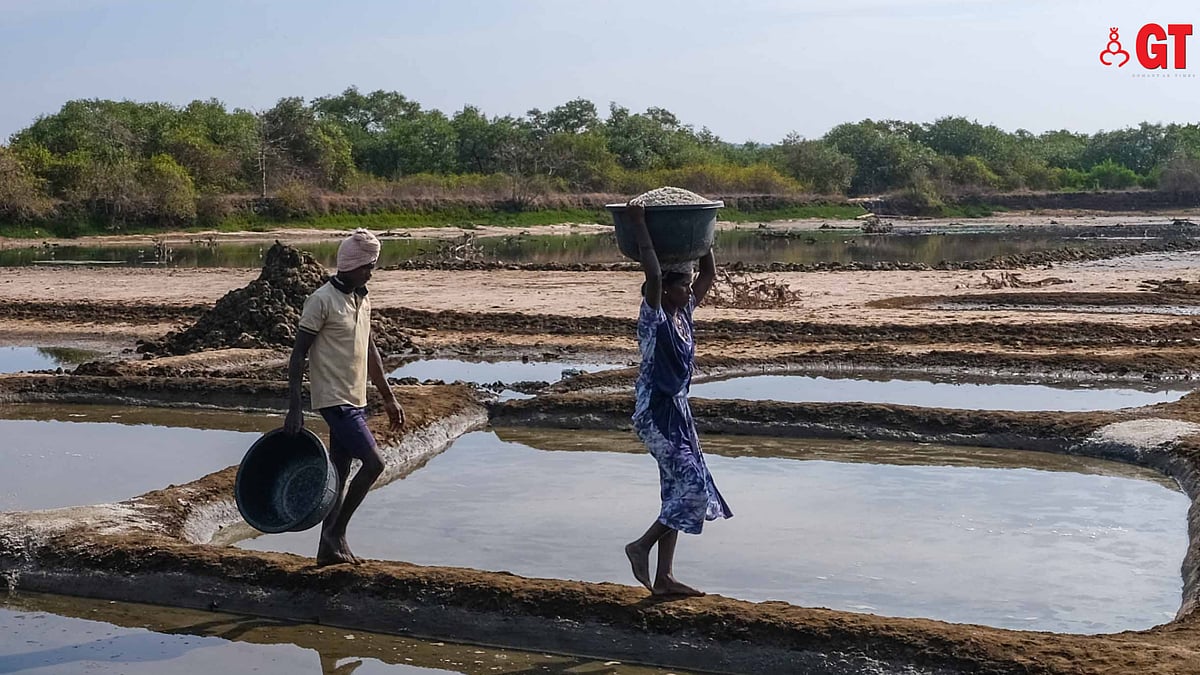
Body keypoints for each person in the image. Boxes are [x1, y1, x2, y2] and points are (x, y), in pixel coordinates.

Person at [623, 202, 732, 597]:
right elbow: (651, 269)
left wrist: (701, 233)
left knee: (676, 491)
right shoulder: (654, 315)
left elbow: (709, 272)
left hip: (678, 413)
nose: (690, 289)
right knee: (692, 490)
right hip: (655, 412)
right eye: (681, 285)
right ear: (665, 290)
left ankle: (665, 577)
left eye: (687, 285)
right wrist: (639, 224)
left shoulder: (683, 311)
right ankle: (640, 546)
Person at [284, 228, 405, 566]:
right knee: (374, 464)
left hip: (356, 398)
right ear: (351, 265)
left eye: (373, 265)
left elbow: (371, 353)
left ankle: (328, 552)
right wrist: (296, 407)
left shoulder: (361, 298)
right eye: (368, 266)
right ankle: (335, 532)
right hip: (334, 399)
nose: (371, 272)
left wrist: (388, 397)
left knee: (338, 472)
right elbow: (297, 356)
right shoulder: (321, 300)